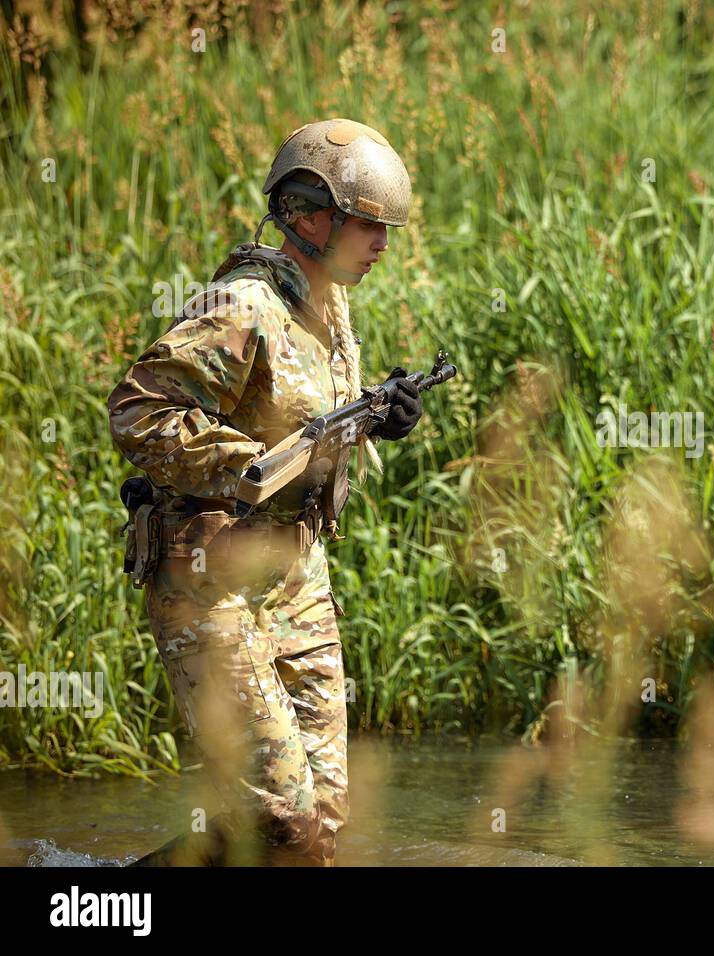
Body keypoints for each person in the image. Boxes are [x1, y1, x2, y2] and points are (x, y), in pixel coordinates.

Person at [108, 118, 423, 866]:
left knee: (320, 831)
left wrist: (380, 417)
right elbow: (138, 410)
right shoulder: (242, 304)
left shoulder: (330, 304)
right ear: (310, 216)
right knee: (282, 820)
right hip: (209, 582)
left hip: (296, 577)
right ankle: (98, 901)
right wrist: (249, 464)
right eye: (368, 225)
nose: (382, 243)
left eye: (387, 228)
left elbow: (305, 416)